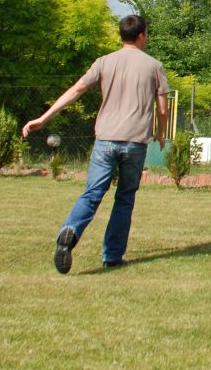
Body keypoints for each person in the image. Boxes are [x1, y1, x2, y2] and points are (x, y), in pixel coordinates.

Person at [23, 14, 169, 274]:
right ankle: (112, 257)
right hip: (135, 142)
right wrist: (160, 132)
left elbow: (75, 91)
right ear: (142, 35)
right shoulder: (154, 66)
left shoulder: (104, 62)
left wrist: (43, 118)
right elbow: (162, 108)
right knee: (124, 199)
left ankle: (70, 231)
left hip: (105, 140)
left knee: (92, 194)